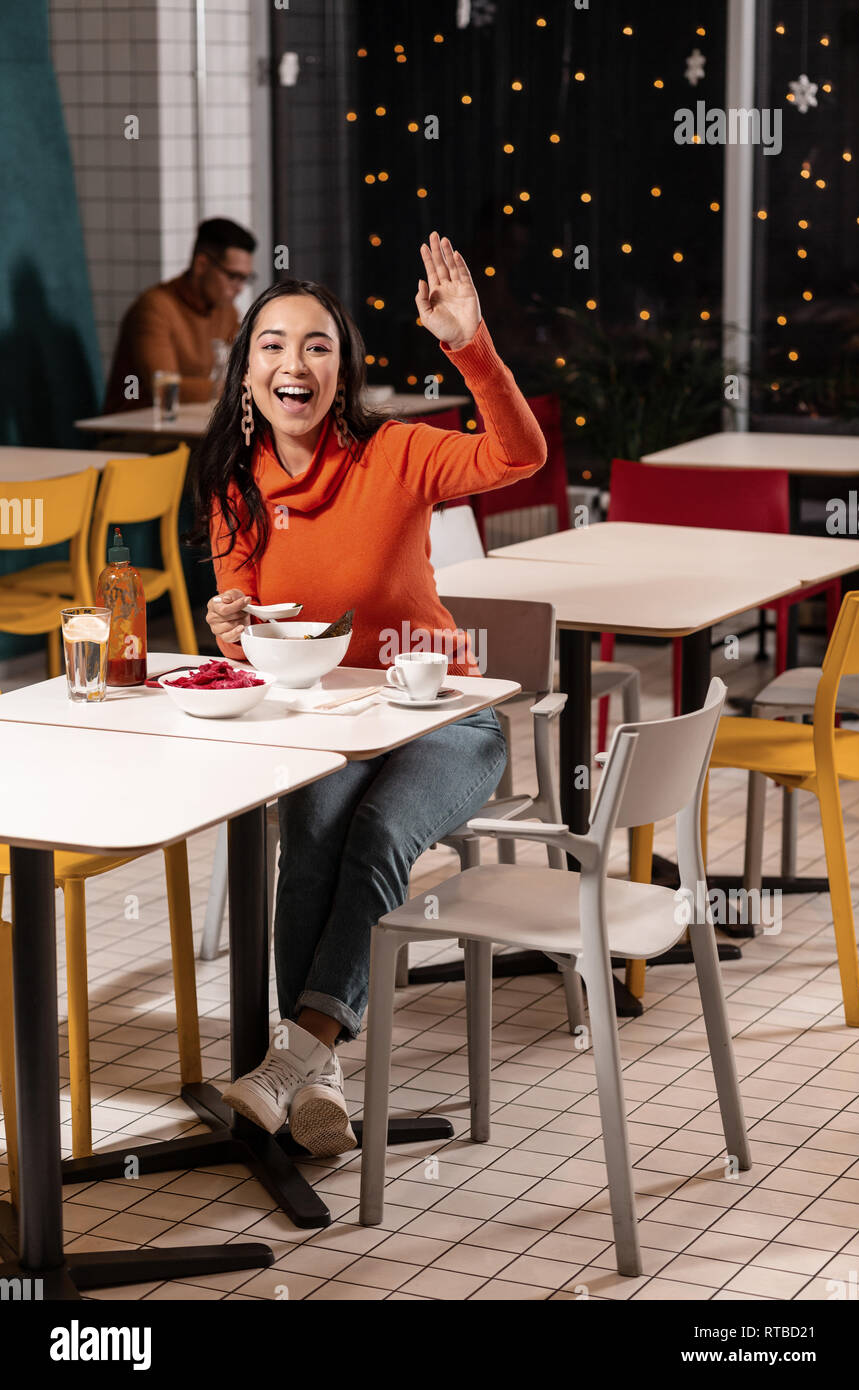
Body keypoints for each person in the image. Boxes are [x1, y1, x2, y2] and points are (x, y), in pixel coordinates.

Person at [192, 232, 548, 1157]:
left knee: (380, 832)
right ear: (247, 378)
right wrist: (228, 627)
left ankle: (292, 1054)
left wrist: (470, 344)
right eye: (271, 344)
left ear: (340, 369)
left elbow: (520, 457)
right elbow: (250, 644)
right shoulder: (234, 487)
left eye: (316, 344)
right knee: (310, 833)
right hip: (332, 720)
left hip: (444, 717)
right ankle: (325, 1073)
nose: (293, 361)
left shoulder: (393, 453)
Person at [103, 218, 256, 412]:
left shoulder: (226, 311)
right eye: (233, 277)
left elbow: (246, 367)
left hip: (189, 422)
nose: (240, 288)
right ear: (201, 264)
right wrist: (236, 388)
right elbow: (165, 389)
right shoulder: (155, 308)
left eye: (245, 278)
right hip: (135, 431)